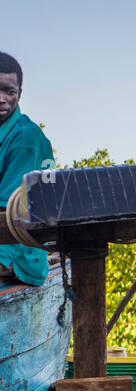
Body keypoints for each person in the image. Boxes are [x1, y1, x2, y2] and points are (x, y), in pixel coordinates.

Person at [0, 52, 54, 287]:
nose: (1, 98)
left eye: (9, 91)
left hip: (16, 253)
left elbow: (7, 213)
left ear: (19, 94)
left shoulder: (26, 138)